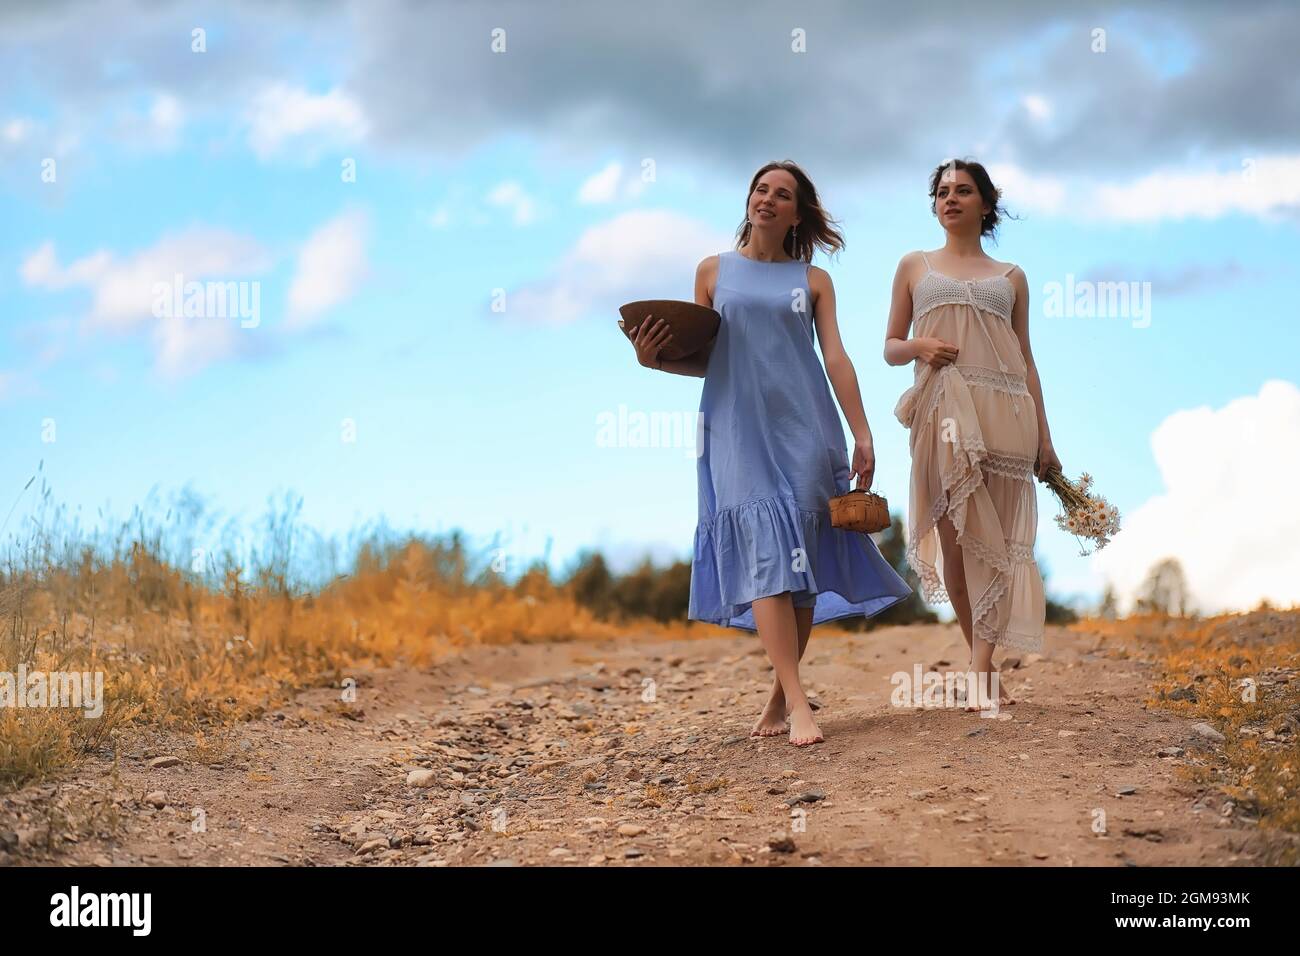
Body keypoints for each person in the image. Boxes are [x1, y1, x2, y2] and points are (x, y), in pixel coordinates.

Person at [630, 160, 911, 746]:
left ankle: (781, 700)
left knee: (801, 566)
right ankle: (801, 704)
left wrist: (861, 433)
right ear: (749, 200)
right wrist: (652, 359)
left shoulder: (812, 281)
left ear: (796, 213)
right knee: (766, 559)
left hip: (805, 427)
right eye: (761, 189)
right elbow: (714, 360)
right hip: (735, 431)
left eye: (782, 195)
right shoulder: (713, 272)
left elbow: (834, 357)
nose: (768, 199)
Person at [884, 158, 1060, 707]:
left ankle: (981, 665)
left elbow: (1028, 360)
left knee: (1004, 547)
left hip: (1005, 412)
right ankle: (981, 659)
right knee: (957, 547)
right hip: (941, 417)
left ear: (986, 204)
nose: (950, 199)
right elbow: (890, 348)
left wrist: (1046, 439)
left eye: (963, 191)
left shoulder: (1011, 277)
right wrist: (920, 347)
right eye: (941, 191)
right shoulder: (915, 266)